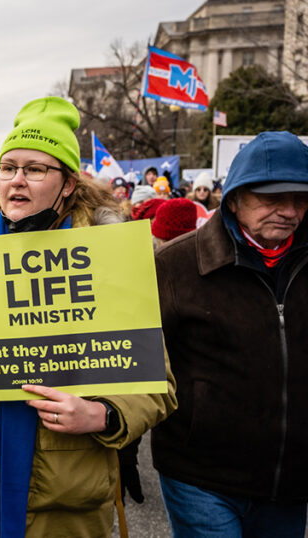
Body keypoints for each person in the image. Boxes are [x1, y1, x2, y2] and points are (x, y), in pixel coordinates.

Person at [0, 96, 176, 536]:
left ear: (67, 184)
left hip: (66, 496)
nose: (16, 180)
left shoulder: (109, 258)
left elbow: (157, 383)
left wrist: (103, 414)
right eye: (8, 167)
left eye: (34, 169)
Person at [153, 131, 308, 537]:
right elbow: (141, 360)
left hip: (291, 480)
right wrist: (121, 443)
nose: (289, 211)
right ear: (234, 199)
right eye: (273, 198)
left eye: (300, 198)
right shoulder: (175, 265)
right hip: (200, 475)